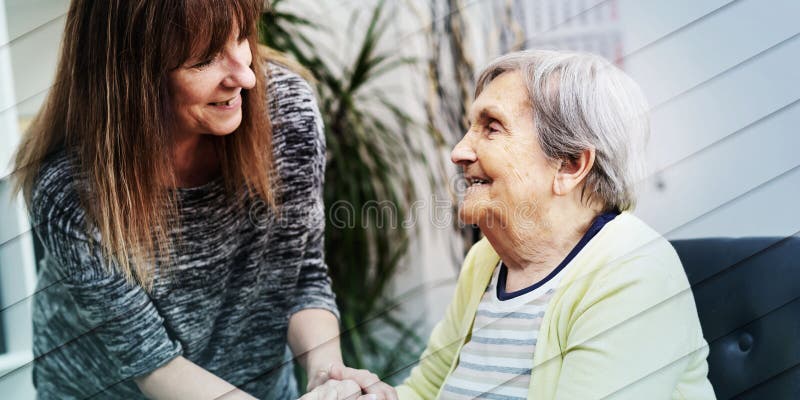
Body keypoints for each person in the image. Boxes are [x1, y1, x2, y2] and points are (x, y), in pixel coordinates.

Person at [12, 0, 393, 399]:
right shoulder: (69, 189)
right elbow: (152, 361)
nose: (246, 76)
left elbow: (300, 276)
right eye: (206, 59)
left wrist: (328, 375)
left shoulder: (286, 115)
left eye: (242, 36)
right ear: (130, 76)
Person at [333, 50, 716, 399]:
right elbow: (425, 391)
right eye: (471, 127)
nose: (459, 151)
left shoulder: (633, 270)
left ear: (569, 165)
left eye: (491, 127)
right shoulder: (485, 260)